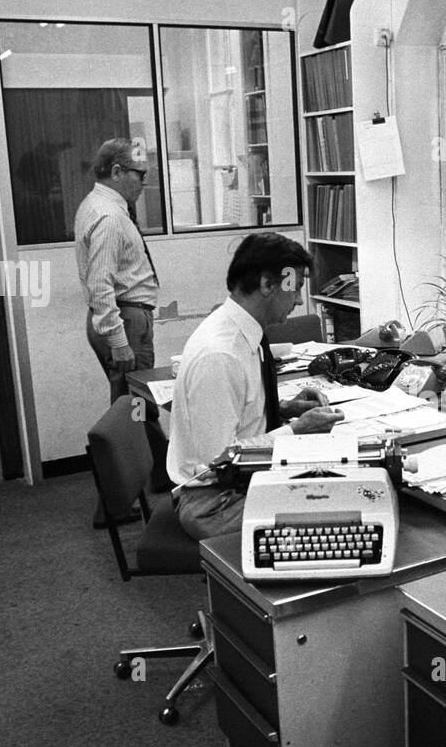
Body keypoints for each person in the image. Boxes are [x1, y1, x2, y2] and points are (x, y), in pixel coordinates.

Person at [168, 233, 344, 541]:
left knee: (348, 479)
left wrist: (284, 408)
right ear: (266, 284)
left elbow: (238, 413)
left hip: (241, 480)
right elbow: (220, 461)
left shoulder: (244, 332)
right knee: (335, 506)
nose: (300, 300)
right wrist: (296, 430)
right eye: (296, 287)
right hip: (215, 500)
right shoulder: (220, 356)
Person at [74, 138, 159, 403]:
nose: (144, 183)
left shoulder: (98, 204)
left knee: (134, 400)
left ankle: (142, 443)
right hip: (125, 319)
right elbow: (99, 283)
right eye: (140, 174)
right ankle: (136, 445)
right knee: (136, 403)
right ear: (117, 172)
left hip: (125, 317)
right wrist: (119, 341)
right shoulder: (109, 216)